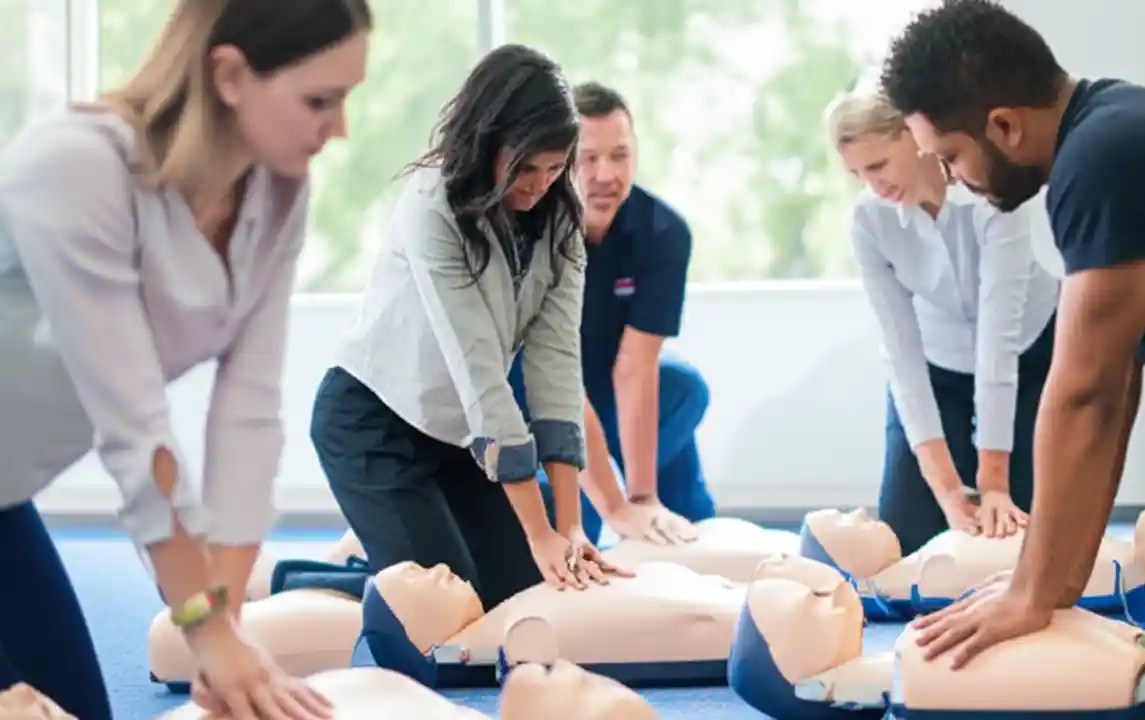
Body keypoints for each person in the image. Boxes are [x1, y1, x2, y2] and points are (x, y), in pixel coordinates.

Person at [877, 0, 1145, 668]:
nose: (953, 181)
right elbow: (1115, 385)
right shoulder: (1112, 133)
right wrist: (1056, 579)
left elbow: (1086, 393)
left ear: (1002, 125)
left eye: (948, 157)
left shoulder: (1102, 160)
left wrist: (1033, 589)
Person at [0, 1, 372, 718]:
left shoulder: (277, 191)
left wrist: (224, 627)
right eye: (320, 100)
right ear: (230, 75)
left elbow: (247, 419)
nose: (340, 128)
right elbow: (136, 431)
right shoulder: (76, 165)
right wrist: (203, 634)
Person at [310, 45, 628, 615]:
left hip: (459, 440)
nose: (539, 185)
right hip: (374, 426)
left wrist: (568, 524)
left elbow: (556, 363)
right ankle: (309, 578)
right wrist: (537, 532)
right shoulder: (431, 206)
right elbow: (479, 369)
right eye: (525, 167)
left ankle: (377, 550)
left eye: (555, 168)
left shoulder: (560, 221)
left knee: (528, 590)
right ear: (488, 142)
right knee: (451, 610)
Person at [824, 90, 1059, 555]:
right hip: (938, 364)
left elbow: (999, 340)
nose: (872, 185)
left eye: (878, 166)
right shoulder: (869, 222)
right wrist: (951, 492)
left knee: (1028, 537)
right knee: (907, 539)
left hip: (1031, 352)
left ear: (914, 136)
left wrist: (992, 484)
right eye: (857, 174)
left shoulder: (992, 194)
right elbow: (901, 355)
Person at [510, 81, 712, 546]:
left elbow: (636, 366)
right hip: (532, 395)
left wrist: (641, 498)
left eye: (619, 156)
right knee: (586, 523)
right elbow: (552, 378)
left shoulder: (663, 232)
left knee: (684, 393)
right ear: (560, 163)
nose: (605, 175)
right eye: (589, 158)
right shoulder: (529, 232)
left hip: (605, 385)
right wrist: (614, 504)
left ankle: (631, 488)